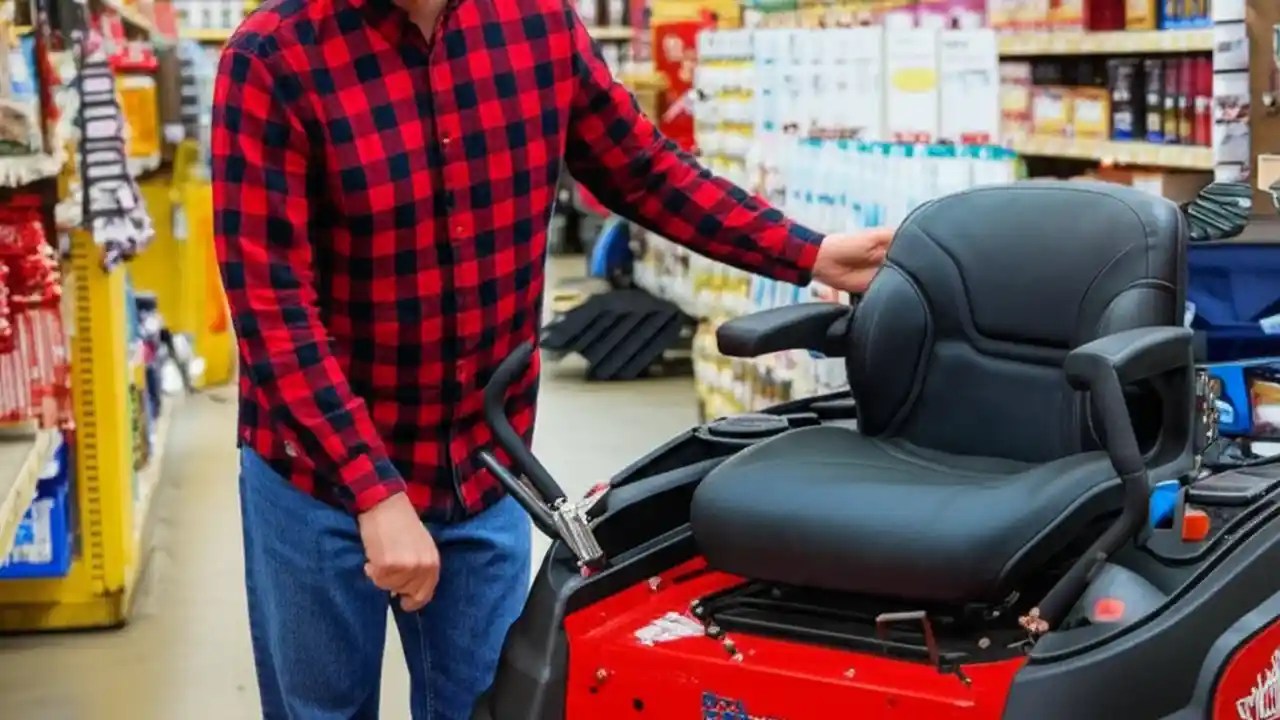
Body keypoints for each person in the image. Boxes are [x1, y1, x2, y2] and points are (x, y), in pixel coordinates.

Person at [210, 0, 892, 717]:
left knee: (491, 705)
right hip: (317, 478)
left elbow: (646, 172)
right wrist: (372, 492)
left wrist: (807, 253)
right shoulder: (273, 57)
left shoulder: (535, 23)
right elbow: (270, 311)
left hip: (481, 468)